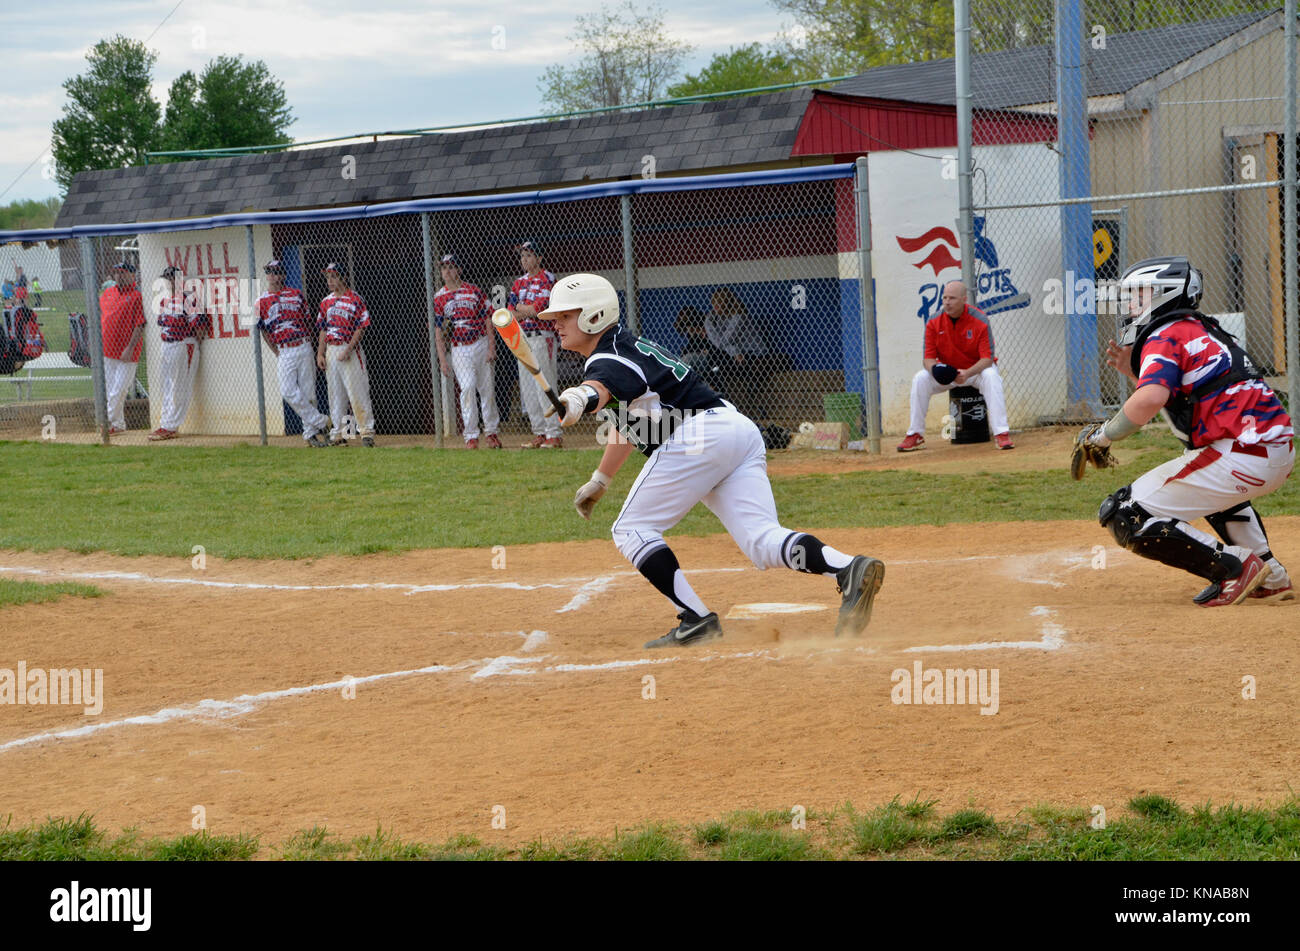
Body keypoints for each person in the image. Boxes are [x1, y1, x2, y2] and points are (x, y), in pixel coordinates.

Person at [539, 272, 886, 648]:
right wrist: (601, 480)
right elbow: (628, 425)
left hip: (698, 437)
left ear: (593, 314)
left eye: (565, 316)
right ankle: (846, 568)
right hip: (733, 431)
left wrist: (577, 400)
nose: (556, 324)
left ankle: (696, 619)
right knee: (762, 541)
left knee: (630, 529)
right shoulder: (623, 348)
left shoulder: (608, 358)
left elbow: (598, 389)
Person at [1080, 256, 1294, 606]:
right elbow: (1181, 404)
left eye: (1138, 295)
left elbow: (1151, 400)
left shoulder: (1164, 333)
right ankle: (1269, 575)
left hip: (1242, 454)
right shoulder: (1199, 328)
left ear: (1164, 295)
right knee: (1205, 488)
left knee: (1124, 513)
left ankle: (1234, 569)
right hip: (1268, 451)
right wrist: (1134, 375)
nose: (1129, 305)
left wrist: (1101, 436)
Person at [897, 280, 1014, 451]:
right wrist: (936, 371)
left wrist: (967, 373)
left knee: (991, 376)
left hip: (975, 371)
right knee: (920, 378)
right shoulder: (933, 321)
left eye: (952, 298)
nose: (946, 302)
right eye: (944, 297)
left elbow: (987, 359)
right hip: (949, 373)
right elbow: (928, 358)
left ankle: (1001, 434)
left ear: (963, 299)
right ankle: (915, 434)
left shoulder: (980, 319)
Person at [257, 260, 331, 448]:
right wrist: (276, 351)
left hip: (303, 345)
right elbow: (264, 331)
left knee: (309, 392)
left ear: (283, 275)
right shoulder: (261, 301)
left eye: (275, 272)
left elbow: (308, 322)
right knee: (287, 390)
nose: (272, 275)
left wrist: (312, 347)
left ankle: (310, 435)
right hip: (284, 350)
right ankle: (322, 422)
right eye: (269, 272)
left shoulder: (297, 295)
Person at [433, 253, 501, 449]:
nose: (446, 271)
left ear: (459, 270)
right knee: (468, 388)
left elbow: (488, 318)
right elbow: (438, 330)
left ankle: (491, 433)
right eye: (443, 267)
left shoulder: (474, 291)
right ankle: (471, 435)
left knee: (486, 390)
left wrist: (491, 347)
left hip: (479, 343)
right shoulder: (439, 297)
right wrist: (442, 360)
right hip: (459, 348)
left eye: (450, 267)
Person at [507, 240, 562, 448]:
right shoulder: (518, 282)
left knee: (545, 385)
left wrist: (523, 309)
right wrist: (524, 309)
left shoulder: (547, 278)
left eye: (529, 255)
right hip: (523, 338)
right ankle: (539, 432)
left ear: (539, 258)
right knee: (528, 388)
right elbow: (511, 312)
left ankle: (554, 433)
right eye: (522, 256)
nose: (524, 259)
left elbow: (540, 309)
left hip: (542, 335)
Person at [315, 262, 376, 447]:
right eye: (327, 277)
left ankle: (366, 433)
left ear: (342, 277)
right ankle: (339, 435)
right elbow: (323, 329)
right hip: (332, 350)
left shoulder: (355, 299)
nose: (330, 281)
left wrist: (348, 349)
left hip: (349, 349)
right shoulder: (326, 301)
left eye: (333, 276)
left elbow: (361, 327)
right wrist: (320, 354)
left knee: (357, 392)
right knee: (336, 395)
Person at [149, 265, 203, 441]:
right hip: (166, 345)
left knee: (180, 386)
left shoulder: (189, 298)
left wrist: (191, 343)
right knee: (166, 386)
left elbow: (200, 327)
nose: (169, 281)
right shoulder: (165, 299)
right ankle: (165, 423)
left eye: (172, 278)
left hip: (183, 344)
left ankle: (171, 426)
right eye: (167, 278)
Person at [99, 261, 146, 435]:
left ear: (132, 275)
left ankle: (107, 419)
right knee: (111, 389)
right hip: (108, 350)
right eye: (117, 272)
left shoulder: (136, 296)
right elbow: (103, 317)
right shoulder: (108, 293)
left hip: (127, 353)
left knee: (119, 389)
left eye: (123, 272)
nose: (119, 275)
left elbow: (140, 324)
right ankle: (117, 425)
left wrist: (130, 347)